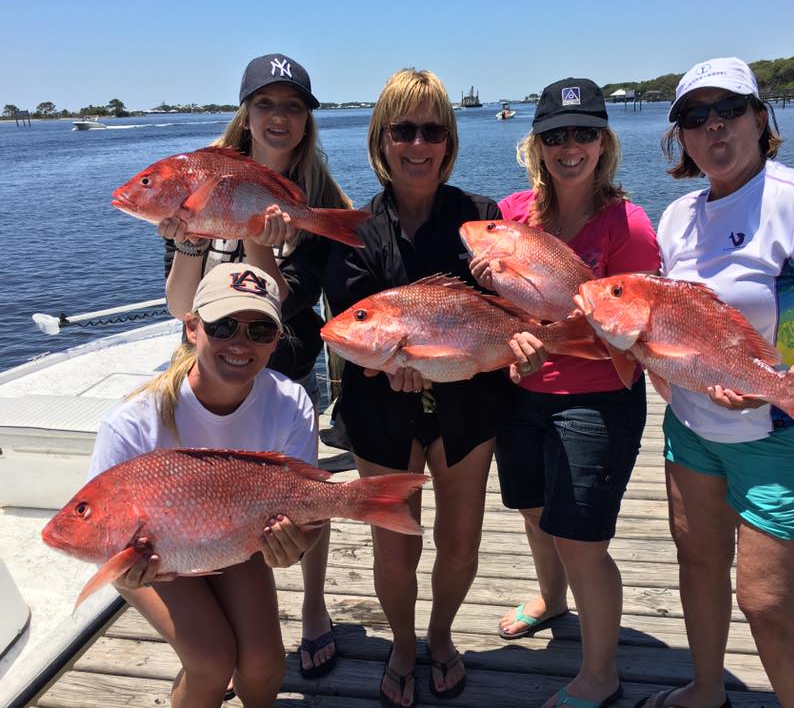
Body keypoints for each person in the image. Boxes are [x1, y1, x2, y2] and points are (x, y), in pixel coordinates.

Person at [639, 57, 794, 708]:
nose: (714, 128)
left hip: (781, 434)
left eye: (729, 110)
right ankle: (705, 690)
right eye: (695, 117)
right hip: (690, 431)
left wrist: (787, 380)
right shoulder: (676, 219)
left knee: (767, 604)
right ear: (681, 138)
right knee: (697, 567)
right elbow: (678, 321)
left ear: (761, 117)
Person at [323, 68, 511, 708]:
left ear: (449, 140)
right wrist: (390, 362)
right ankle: (403, 644)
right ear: (382, 138)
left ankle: (441, 635)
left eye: (432, 130)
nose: (418, 143)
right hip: (379, 408)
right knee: (396, 548)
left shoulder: (481, 219)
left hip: (468, 401)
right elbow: (349, 327)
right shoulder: (353, 228)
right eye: (403, 129)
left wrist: (528, 335)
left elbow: (505, 310)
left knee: (460, 544)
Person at [157, 53, 349, 679]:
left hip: (284, 366)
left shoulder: (317, 203)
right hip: (205, 364)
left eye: (292, 106)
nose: (278, 117)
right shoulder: (199, 181)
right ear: (246, 112)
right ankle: (213, 602)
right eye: (265, 104)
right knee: (211, 492)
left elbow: (283, 309)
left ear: (306, 121)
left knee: (304, 495)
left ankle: (315, 606)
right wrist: (189, 235)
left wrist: (259, 241)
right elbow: (180, 303)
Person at [470, 78, 660, 708]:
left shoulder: (627, 225)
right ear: (537, 145)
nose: (570, 147)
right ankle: (551, 600)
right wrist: (499, 305)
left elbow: (635, 324)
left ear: (603, 143)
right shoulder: (511, 213)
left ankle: (600, 674)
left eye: (584, 134)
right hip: (521, 389)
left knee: (582, 538)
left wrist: (557, 330)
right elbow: (502, 310)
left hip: (598, 397)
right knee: (531, 508)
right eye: (555, 136)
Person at [88, 263, 322, 708]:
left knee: (263, 665)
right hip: (155, 557)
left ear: (277, 340)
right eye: (222, 325)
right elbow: (102, 533)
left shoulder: (291, 403)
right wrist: (127, 567)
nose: (240, 342)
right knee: (211, 659)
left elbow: (304, 508)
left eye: (260, 330)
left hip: (234, 541)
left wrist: (295, 544)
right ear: (193, 328)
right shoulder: (132, 422)